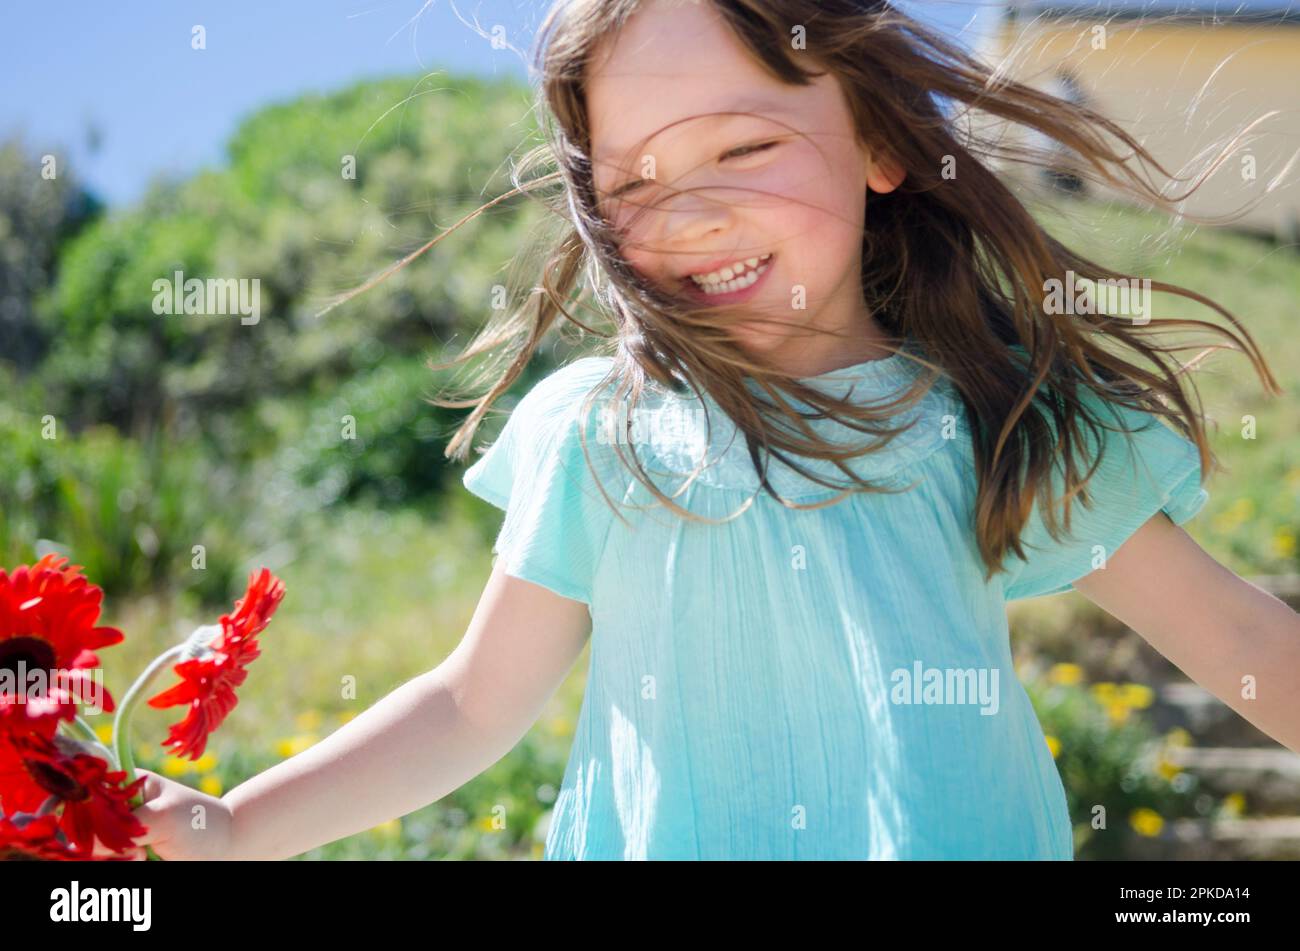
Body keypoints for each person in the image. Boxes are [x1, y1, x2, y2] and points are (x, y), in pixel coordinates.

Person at [127, 0, 1296, 860]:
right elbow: (473, 704)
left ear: (882, 145)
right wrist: (232, 830)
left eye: (744, 148)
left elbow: (1240, 635)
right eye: (632, 184)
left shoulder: (985, 419)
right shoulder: (597, 431)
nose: (687, 216)